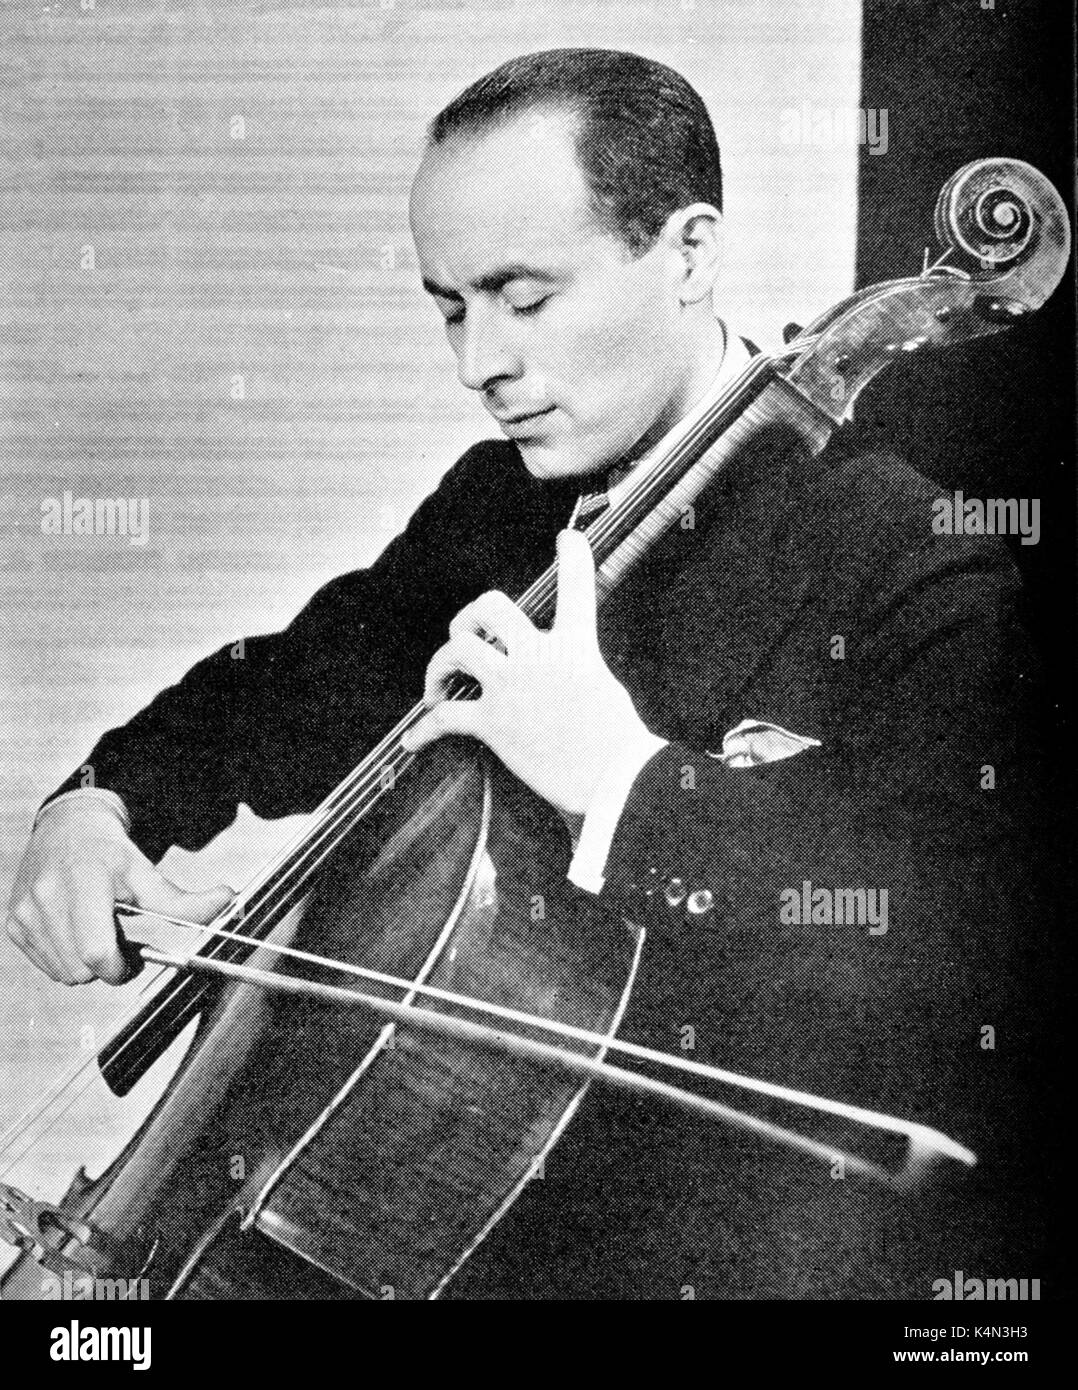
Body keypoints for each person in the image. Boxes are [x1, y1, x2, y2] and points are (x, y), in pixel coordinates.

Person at [5, 49, 1050, 1298]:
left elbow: (940, 943)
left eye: (521, 296)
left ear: (687, 250)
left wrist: (621, 779)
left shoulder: (913, 564)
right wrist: (98, 800)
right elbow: (291, 681)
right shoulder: (498, 505)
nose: (475, 362)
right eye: (451, 305)